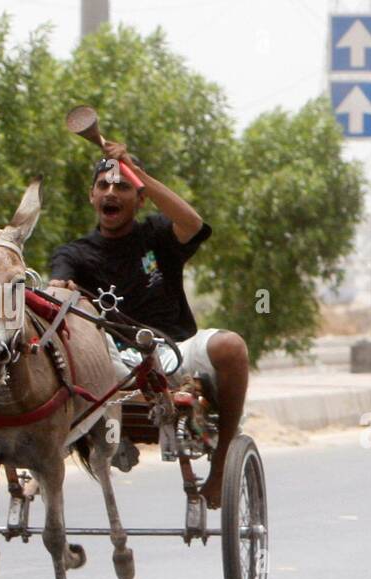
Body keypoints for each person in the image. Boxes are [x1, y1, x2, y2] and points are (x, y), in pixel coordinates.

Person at [48, 142, 248, 509]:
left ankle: (219, 468)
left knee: (231, 346)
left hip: (174, 355)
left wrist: (135, 171)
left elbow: (193, 223)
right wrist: (64, 291)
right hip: (111, 369)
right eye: (103, 185)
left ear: (140, 198)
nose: (111, 192)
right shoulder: (72, 254)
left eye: (122, 185)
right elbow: (55, 289)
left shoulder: (158, 235)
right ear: (92, 196)